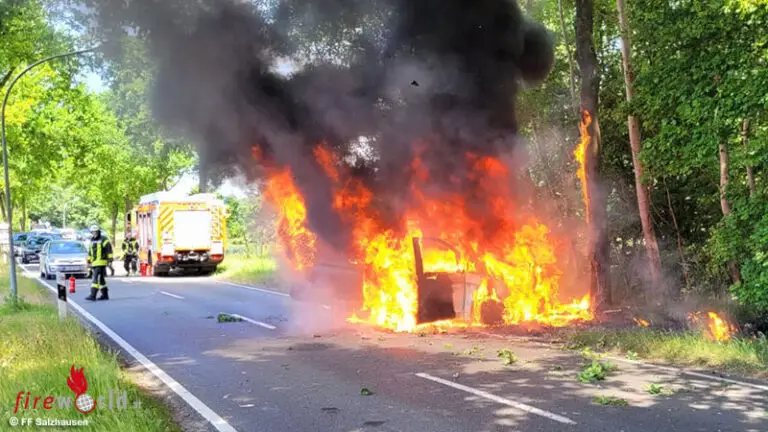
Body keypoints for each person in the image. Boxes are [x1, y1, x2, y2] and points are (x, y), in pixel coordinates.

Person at [86, 225, 113, 301]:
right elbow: (91, 252)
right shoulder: (92, 240)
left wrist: (110, 260)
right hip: (94, 263)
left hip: (101, 262)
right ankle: (105, 295)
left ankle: (93, 295)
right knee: (101, 280)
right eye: (93, 232)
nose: (94, 233)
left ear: (98, 231)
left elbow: (109, 250)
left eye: (95, 231)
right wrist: (89, 260)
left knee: (96, 279)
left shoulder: (104, 239)